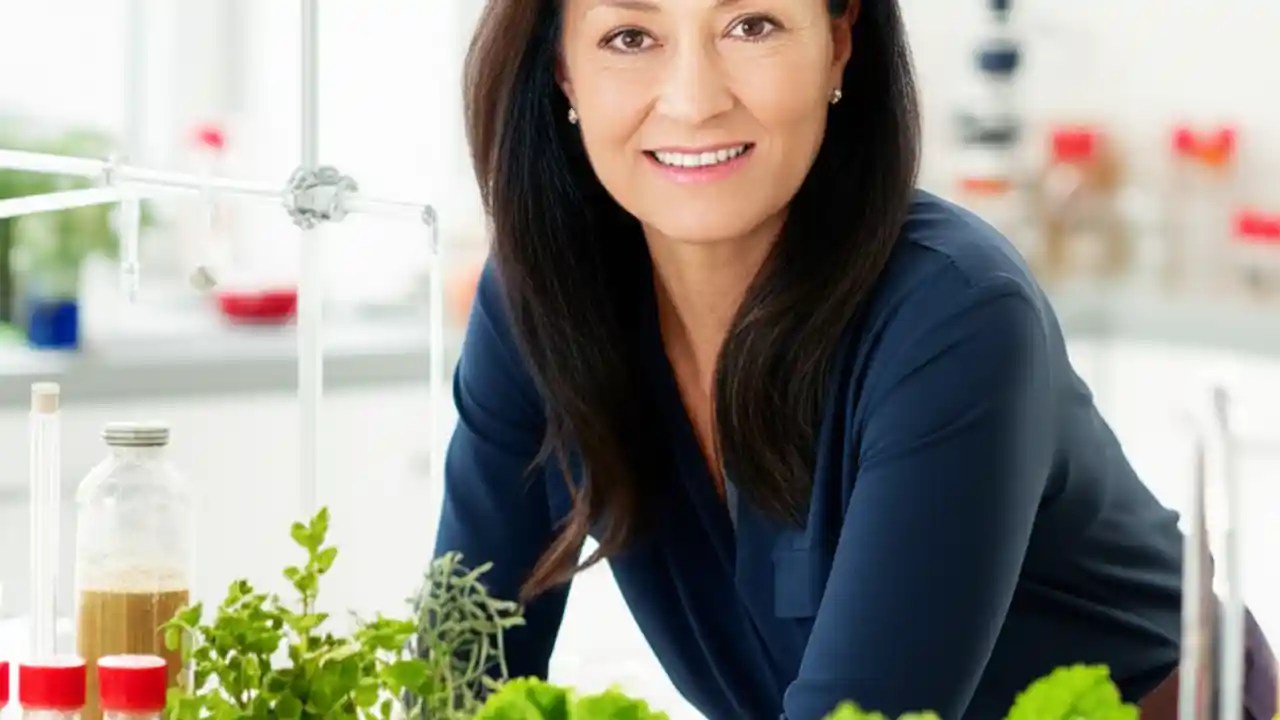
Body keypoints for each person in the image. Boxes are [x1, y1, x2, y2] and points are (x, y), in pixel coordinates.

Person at [433, 0, 1277, 717]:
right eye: (630, 37)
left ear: (840, 41)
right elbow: (459, 682)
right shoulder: (539, 299)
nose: (692, 102)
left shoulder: (957, 316)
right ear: (562, 69)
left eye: (752, 24)